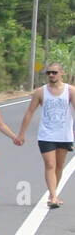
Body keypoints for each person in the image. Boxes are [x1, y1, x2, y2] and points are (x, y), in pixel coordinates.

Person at [16, 62, 75, 208]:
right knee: (50, 164)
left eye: (54, 72)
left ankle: (52, 192)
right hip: (46, 134)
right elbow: (30, 112)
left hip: (64, 134)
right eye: (48, 72)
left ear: (62, 73)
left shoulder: (70, 90)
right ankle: (53, 197)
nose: (51, 75)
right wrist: (21, 134)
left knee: (59, 166)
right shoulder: (40, 92)